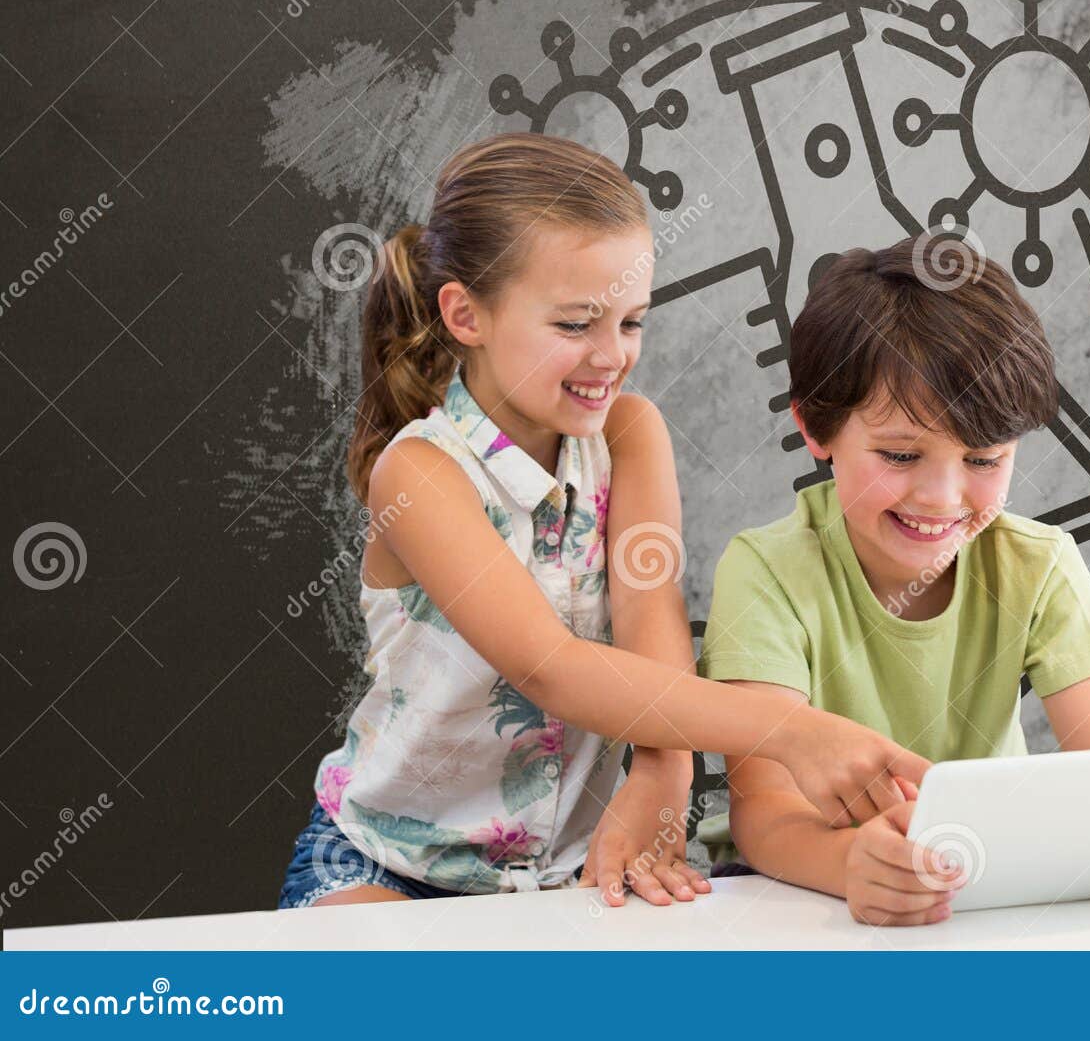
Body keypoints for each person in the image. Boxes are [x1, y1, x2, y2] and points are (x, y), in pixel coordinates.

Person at [277, 134, 928, 910]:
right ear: (466, 315)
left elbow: (652, 623)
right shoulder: (419, 473)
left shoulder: (628, 435)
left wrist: (663, 770)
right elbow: (547, 666)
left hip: (568, 871)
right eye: (576, 324)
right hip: (391, 865)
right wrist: (787, 729)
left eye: (630, 322)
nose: (611, 355)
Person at [696, 238, 1090, 926]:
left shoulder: (1037, 563)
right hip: (790, 901)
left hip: (977, 896)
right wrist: (850, 864)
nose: (941, 496)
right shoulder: (767, 570)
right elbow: (764, 813)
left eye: (984, 457)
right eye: (901, 454)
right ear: (815, 427)